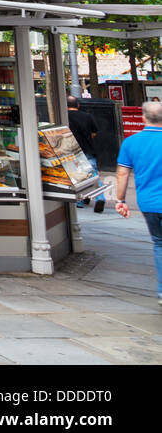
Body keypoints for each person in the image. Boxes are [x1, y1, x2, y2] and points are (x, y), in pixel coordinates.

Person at [114, 99, 162, 308]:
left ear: (143, 117)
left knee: (160, 244)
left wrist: (120, 200)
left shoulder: (131, 143)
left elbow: (122, 173)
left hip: (149, 203)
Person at [67, 96, 105, 212]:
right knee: (93, 175)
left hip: (72, 151)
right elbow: (94, 133)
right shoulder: (87, 116)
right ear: (78, 105)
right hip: (88, 149)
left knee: (77, 176)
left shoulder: (63, 117)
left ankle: (80, 201)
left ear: (66, 106)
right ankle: (100, 197)